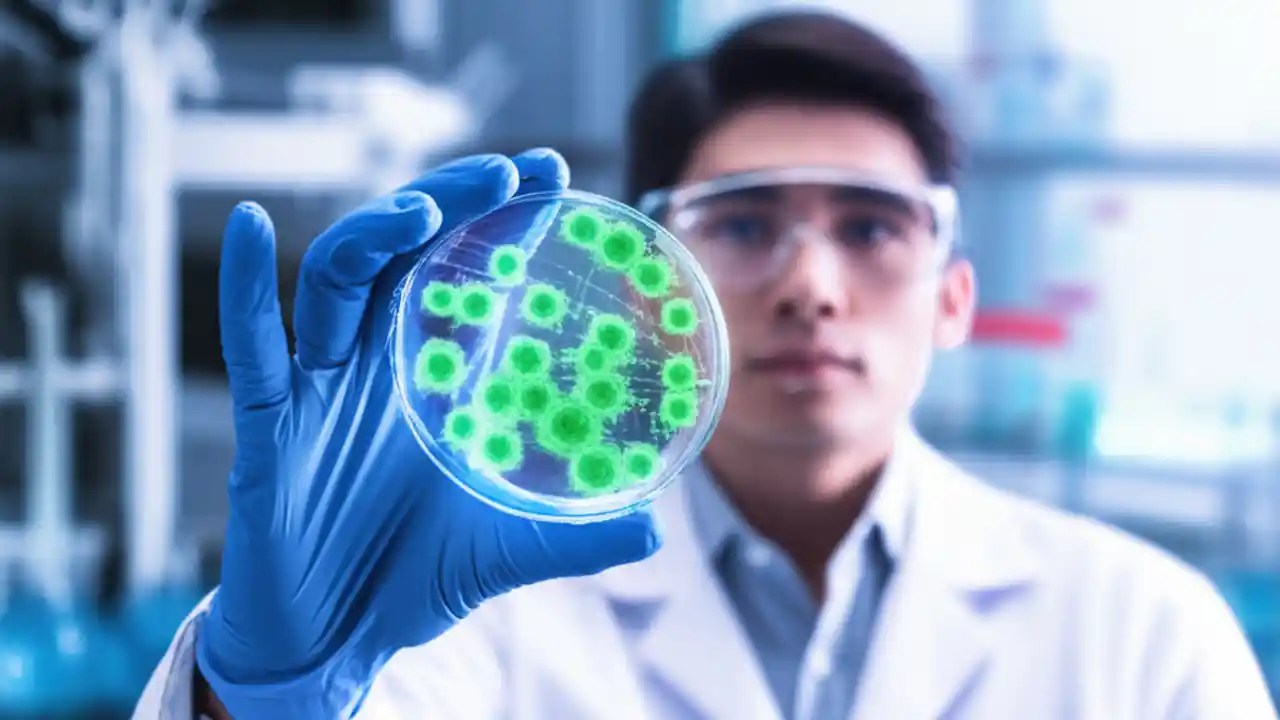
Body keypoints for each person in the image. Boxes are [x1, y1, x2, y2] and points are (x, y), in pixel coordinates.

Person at [134, 11, 1275, 720]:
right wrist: (265, 700)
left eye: (871, 229)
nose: (809, 285)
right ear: (645, 290)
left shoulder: (1144, 634)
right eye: (741, 225)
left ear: (953, 298)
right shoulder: (464, 629)